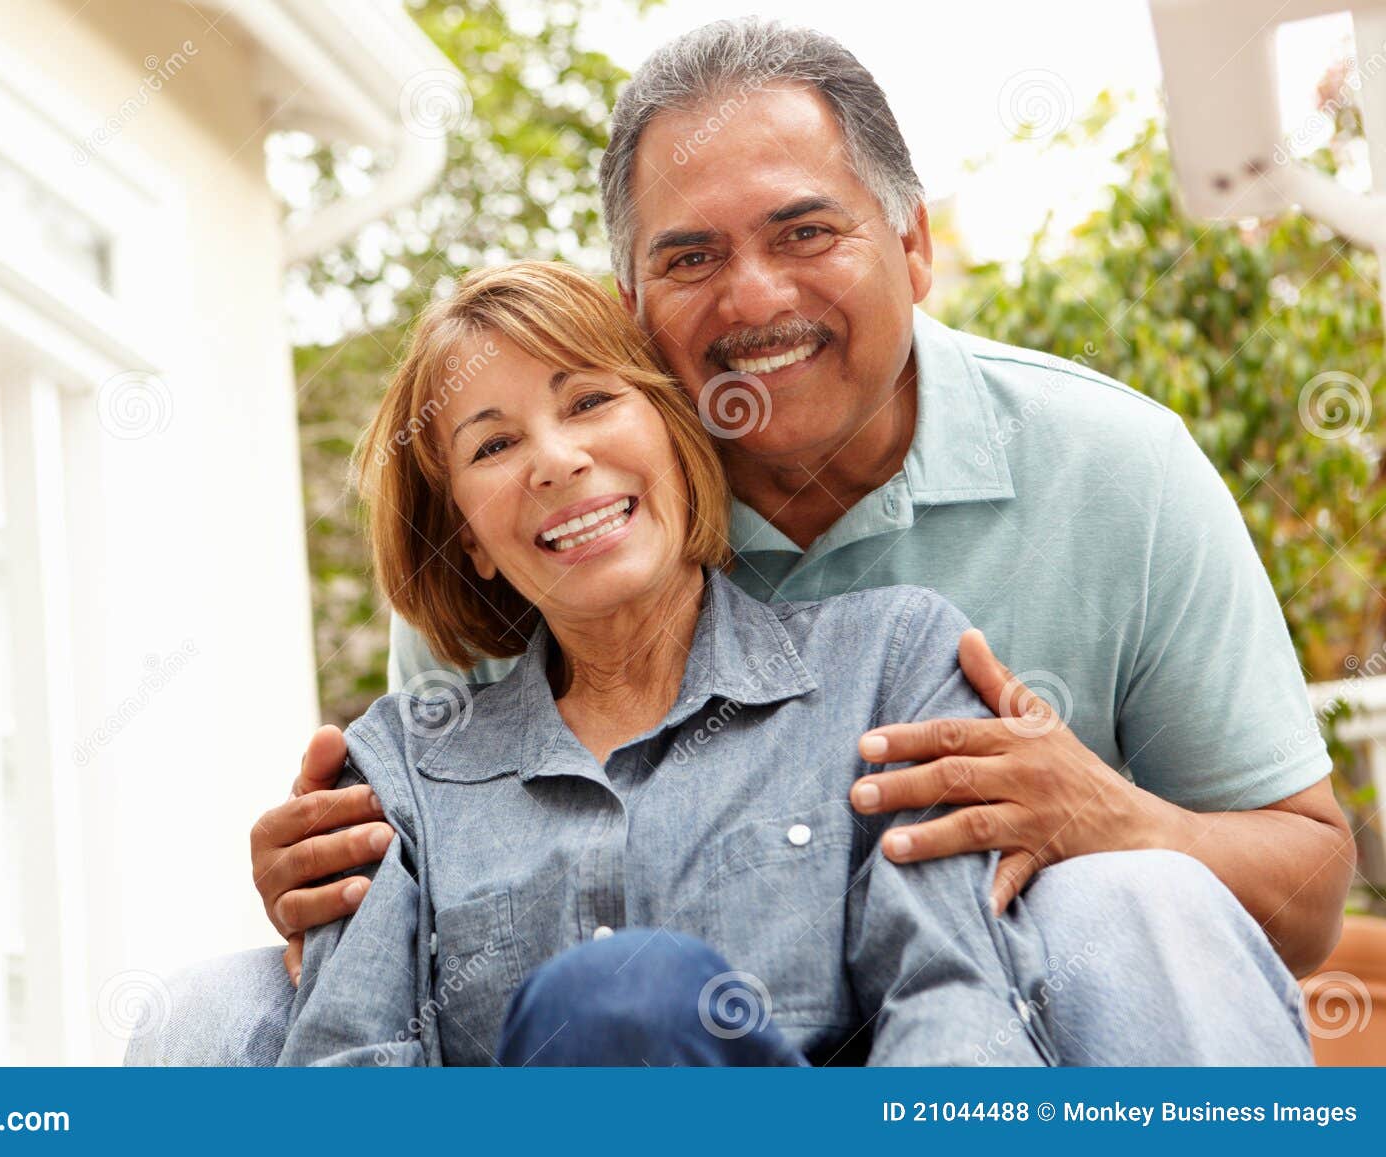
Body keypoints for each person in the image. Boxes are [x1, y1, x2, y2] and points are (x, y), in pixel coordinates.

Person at [251, 23, 1353, 1045]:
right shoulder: (568, 524)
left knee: (1128, 893)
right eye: (689, 259)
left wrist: (1111, 817)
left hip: (1020, 1054)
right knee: (231, 1004)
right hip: (644, 1064)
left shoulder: (1114, 467)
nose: (754, 296)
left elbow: (1307, 890)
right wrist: (341, 888)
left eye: (806, 230)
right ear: (631, 306)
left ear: (913, 244)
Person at [128, 263, 1312, 1067]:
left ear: (676, 441)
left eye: (589, 401)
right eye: (492, 446)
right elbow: (356, 1060)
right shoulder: (404, 760)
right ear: (471, 543)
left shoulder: (887, 658)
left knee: (632, 997)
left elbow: (950, 994)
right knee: (207, 1006)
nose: (554, 460)